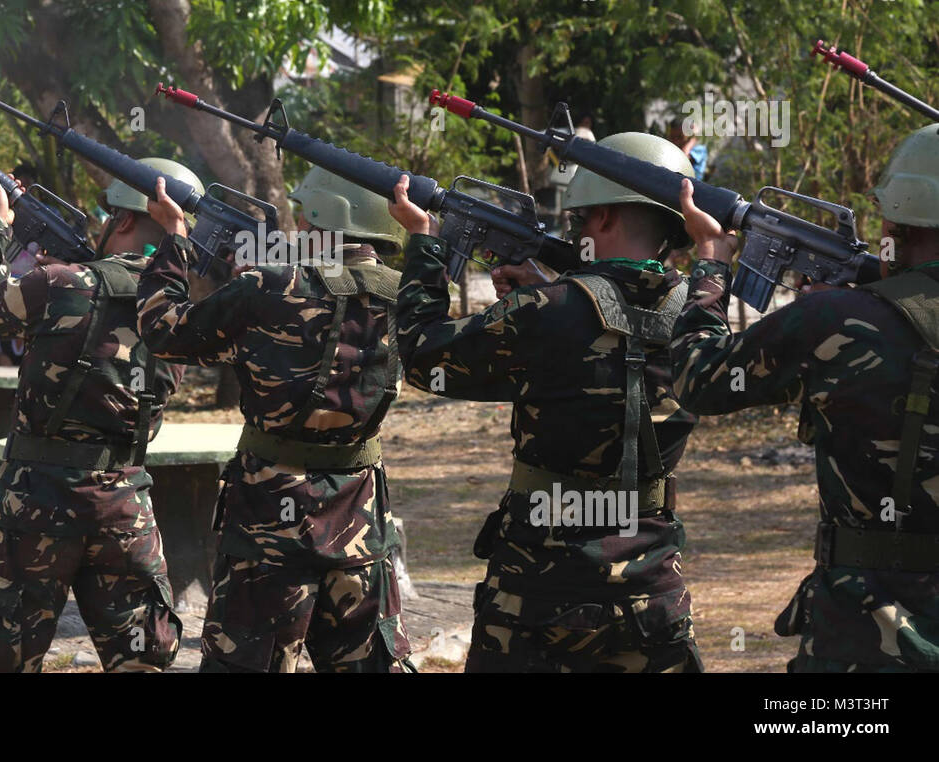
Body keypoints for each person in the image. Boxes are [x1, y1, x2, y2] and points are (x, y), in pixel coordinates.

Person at [389, 132, 703, 673]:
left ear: (603, 216)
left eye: (578, 221)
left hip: (537, 592)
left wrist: (424, 241)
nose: (574, 232)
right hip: (651, 588)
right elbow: (613, 321)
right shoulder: (700, 318)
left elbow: (423, 358)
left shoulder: (543, 310)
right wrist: (552, 289)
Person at [670, 125, 939, 672]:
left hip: (864, 636)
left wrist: (711, 262)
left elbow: (697, 378)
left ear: (897, 223)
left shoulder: (835, 321)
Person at [137, 166, 414, 673]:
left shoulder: (269, 285)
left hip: (268, 521)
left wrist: (174, 241)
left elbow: (163, 329)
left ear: (322, 217)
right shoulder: (408, 297)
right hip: (360, 516)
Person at [0, 159, 196, 673]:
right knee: (143, 661)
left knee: (1, 660)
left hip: (35, 502)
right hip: (125, 502)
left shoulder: (62, 282)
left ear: (123, 221)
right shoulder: (179, 308)